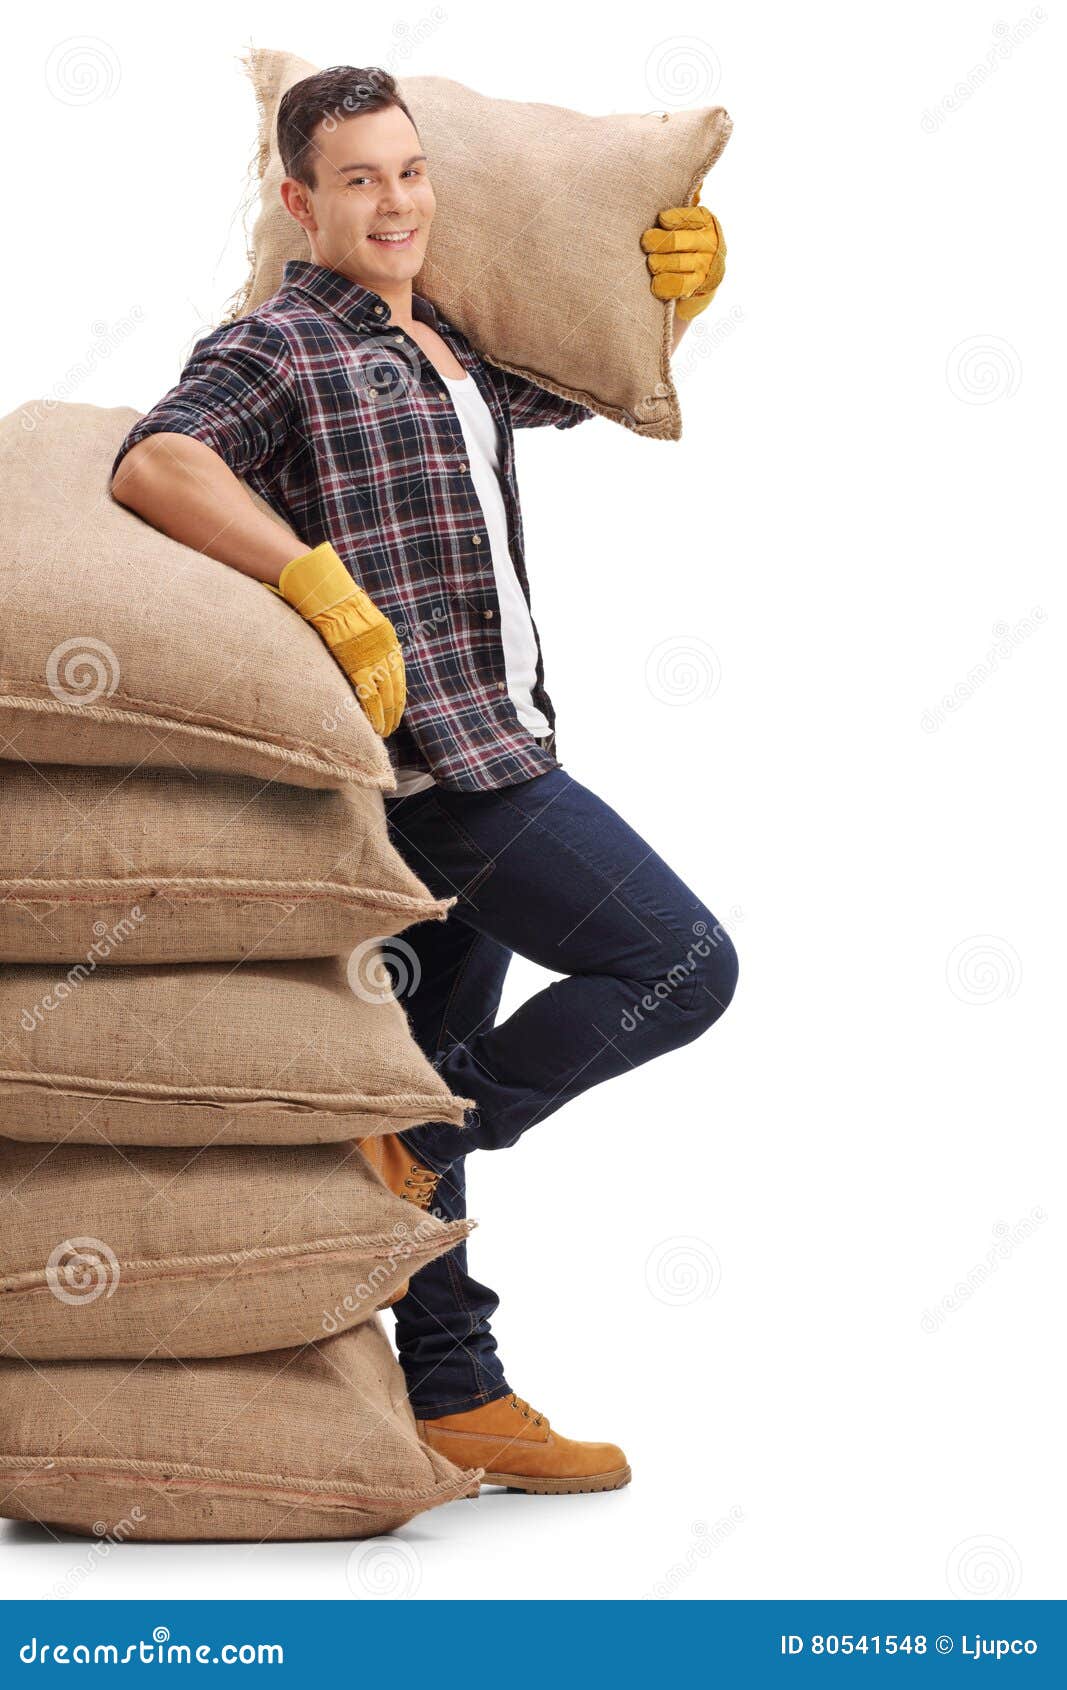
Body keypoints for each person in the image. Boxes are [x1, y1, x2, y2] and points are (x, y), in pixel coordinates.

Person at [110, 64, 736, 1495]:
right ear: (299, 201)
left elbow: (570, 394)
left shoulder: (439, 334)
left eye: (409, 171)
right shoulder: (283, 343)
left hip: (508, 734)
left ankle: (456, 1388)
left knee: (415, 1073)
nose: (394, 202)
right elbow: (158, 462)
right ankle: (423, 1124)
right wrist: (312, 579)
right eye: (358, 180)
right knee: (684, 961)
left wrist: (674, 299)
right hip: (440, 769)